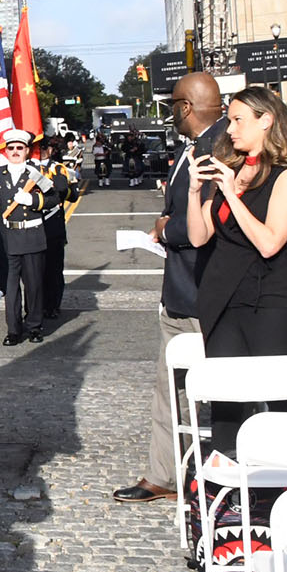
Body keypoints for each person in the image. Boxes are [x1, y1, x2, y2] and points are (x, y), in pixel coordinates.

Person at [116, 72, 227, 503]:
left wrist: (167, 230)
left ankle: (208, 477)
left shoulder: (219, 147)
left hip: (203, 290)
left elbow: (215, 216)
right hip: (182, 287)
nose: (170, 115)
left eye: (172, 107)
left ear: (186, 108)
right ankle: (164, 473)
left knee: (208, 391)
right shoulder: (195, 146)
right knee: (170, 386)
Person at [185, 86, 287, 455]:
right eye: (229, 120)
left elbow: (270, 242)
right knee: (226, 402)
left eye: (239, 120)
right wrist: (196, 192)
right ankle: (227, 486)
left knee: (280, 397)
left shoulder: (285, 177)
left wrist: (232, 196)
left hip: (267, 301)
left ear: (266, 121)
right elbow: (199, 237)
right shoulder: (231, 171)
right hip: (222, 299)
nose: (230, 129)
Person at [0, 129, 56, 346]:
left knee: (34, 285)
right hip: (9, 235)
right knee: (11, 287)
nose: (15, 151)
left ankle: (34, 326)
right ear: (6, 151)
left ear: (27, 150)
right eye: (11, 148)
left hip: (32, 234)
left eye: (20, 148)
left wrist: (33, 201)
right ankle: (14, 329)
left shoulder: (37, 172)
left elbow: (54, 198)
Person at [39, 136, 78, 320]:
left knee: (54, 270)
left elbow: (66, 190)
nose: (40, 151)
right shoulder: (27, 167)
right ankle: (37, 306)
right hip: (34, 228)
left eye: (43, 147)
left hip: (53, 227)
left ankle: (53, 305)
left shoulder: (57, 168)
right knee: (35, 272)